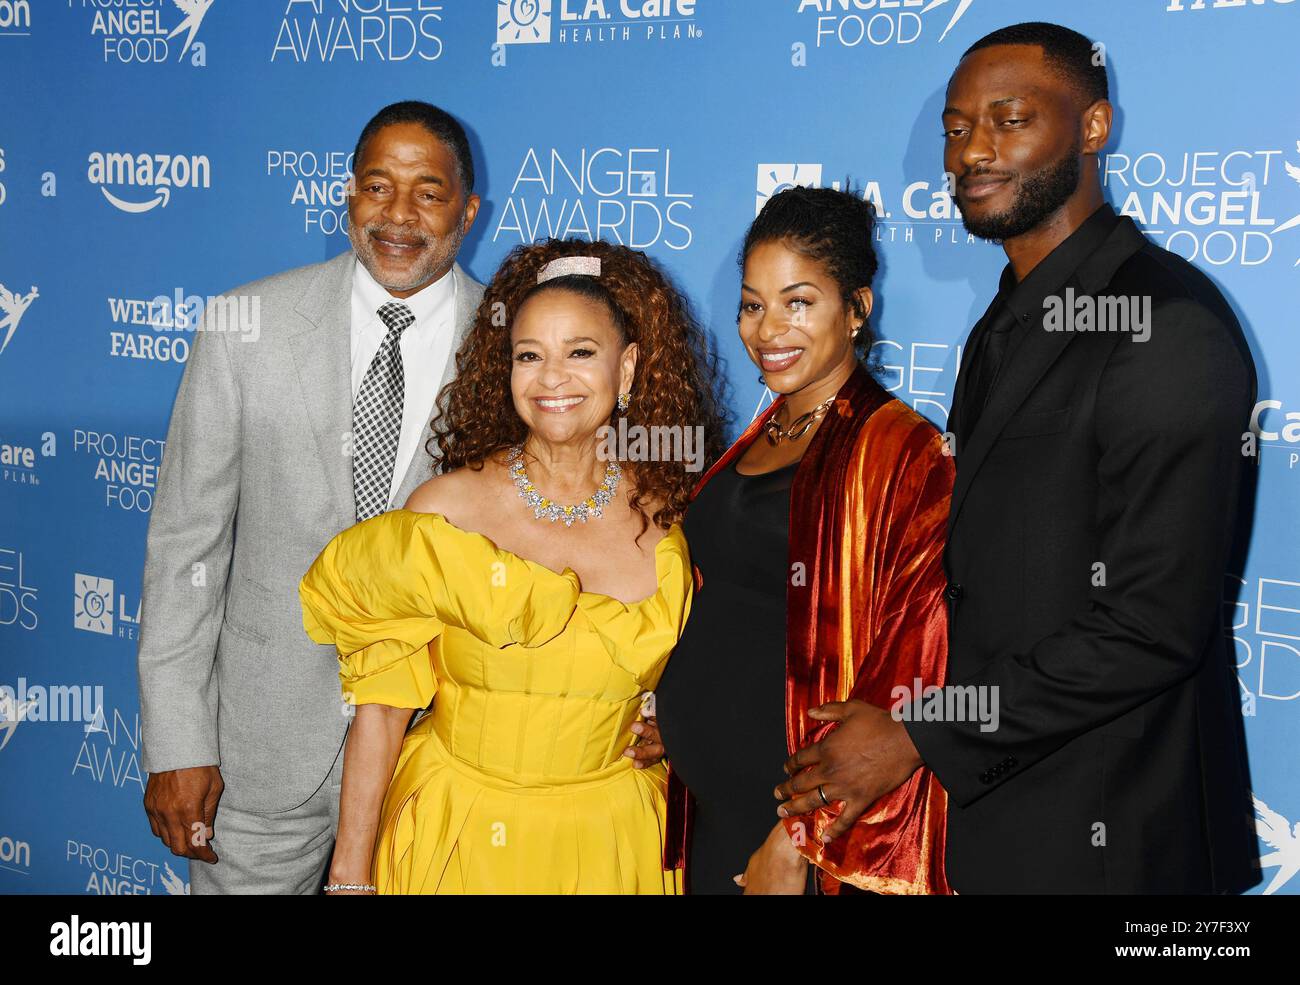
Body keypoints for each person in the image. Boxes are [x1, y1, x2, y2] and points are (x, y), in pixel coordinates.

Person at [774, 22, 1260, 894]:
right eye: (956, 130)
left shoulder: (1164, 324)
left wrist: (921, 734)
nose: (973, 152)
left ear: (1094, 127)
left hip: (1121, 838)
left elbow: (1151, 623)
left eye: (1009, 120)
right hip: (1002, 821)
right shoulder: (1006, 318)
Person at [298, 239, 724, 894]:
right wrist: (350, 876)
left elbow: (734, 673)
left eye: (580, 352)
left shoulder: (676, 516)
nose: (552, 378)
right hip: (454, 836)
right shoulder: (447, 508)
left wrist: (685, 724)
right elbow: (381, 713)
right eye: (530, 355)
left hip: (615, 845)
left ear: (630, 367)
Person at [136, 100, 486, 894]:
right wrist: (176, 740)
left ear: (467, 211)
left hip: (435, 758)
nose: (398, 215)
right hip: (258, 760)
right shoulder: (243, 327)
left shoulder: (516, 348)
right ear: (347, 196)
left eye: (428, 192)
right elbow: (184, 548)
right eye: (377, 186)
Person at [655, 186, 954, 895]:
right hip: (716, 813)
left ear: (857, 308)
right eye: (753, 304)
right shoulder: (759, 436)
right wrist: (678, 712)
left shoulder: (903, 453)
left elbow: (911, 666)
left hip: (809, 842)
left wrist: (801, 844)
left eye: (799, 302)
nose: (768, 329)